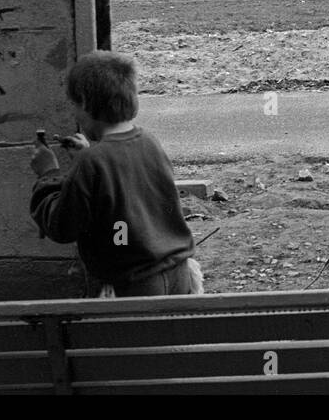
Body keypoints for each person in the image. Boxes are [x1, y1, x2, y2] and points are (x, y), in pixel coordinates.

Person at [29, 50, 203, 296]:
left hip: (136, 287)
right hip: (179, 275)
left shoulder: (92, 163)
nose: (75, 114)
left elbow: (61, 226)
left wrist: (49, 174)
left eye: (75, 105)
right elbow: (123, 180)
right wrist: (90, 157)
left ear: (86, 103)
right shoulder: (149, 142)